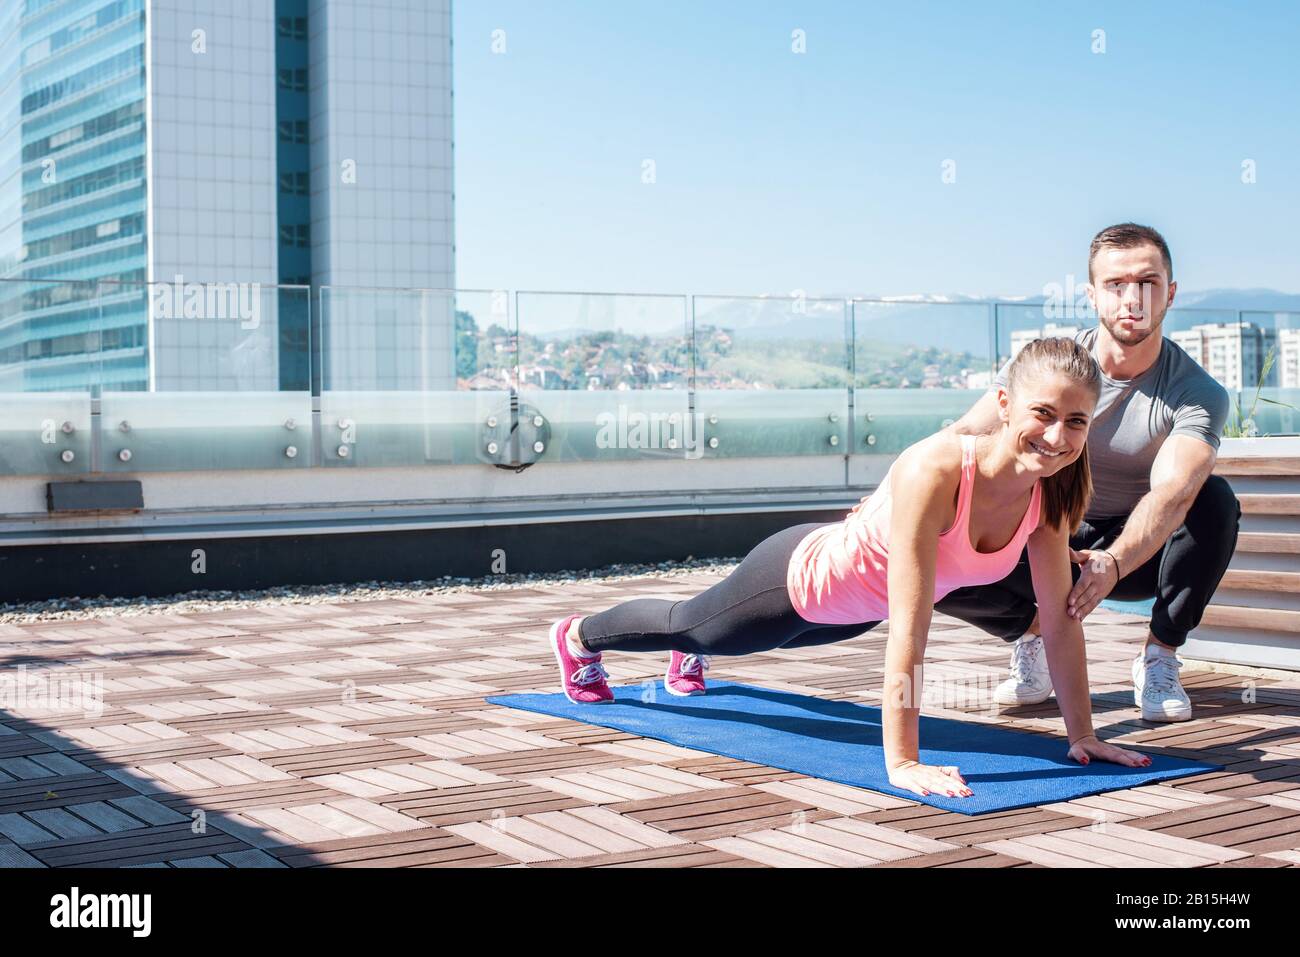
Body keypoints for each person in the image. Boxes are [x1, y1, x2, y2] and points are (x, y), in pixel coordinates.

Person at [548, 337, 1153, 800]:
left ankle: (695, 656)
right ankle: (577, 636)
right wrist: (903, 760)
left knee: (743, 646)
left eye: (1075, 421)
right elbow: (912, 628)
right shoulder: (937, 470)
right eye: (1042, 413)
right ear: (1003, 403)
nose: (1056, 435)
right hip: (796, 581)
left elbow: (1060, 621)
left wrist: (1083, 736)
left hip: (854, 612)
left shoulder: (1051, 496)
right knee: (692, 625)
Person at [941, 223, 1240, 723]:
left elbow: (1174, 489)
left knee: (1212, 499)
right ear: (1091, 295)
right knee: (932, 530)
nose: (1133, 299)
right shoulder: (1046, 366)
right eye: (1116, 285)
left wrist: (1113, 563)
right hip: (1046, 535)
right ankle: (1032, 634)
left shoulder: (1196, 391)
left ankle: (1159, 657)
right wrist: (892, 500)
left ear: (1169, 292)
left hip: (1137, 553)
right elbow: (965, 435)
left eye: (1147, 283)